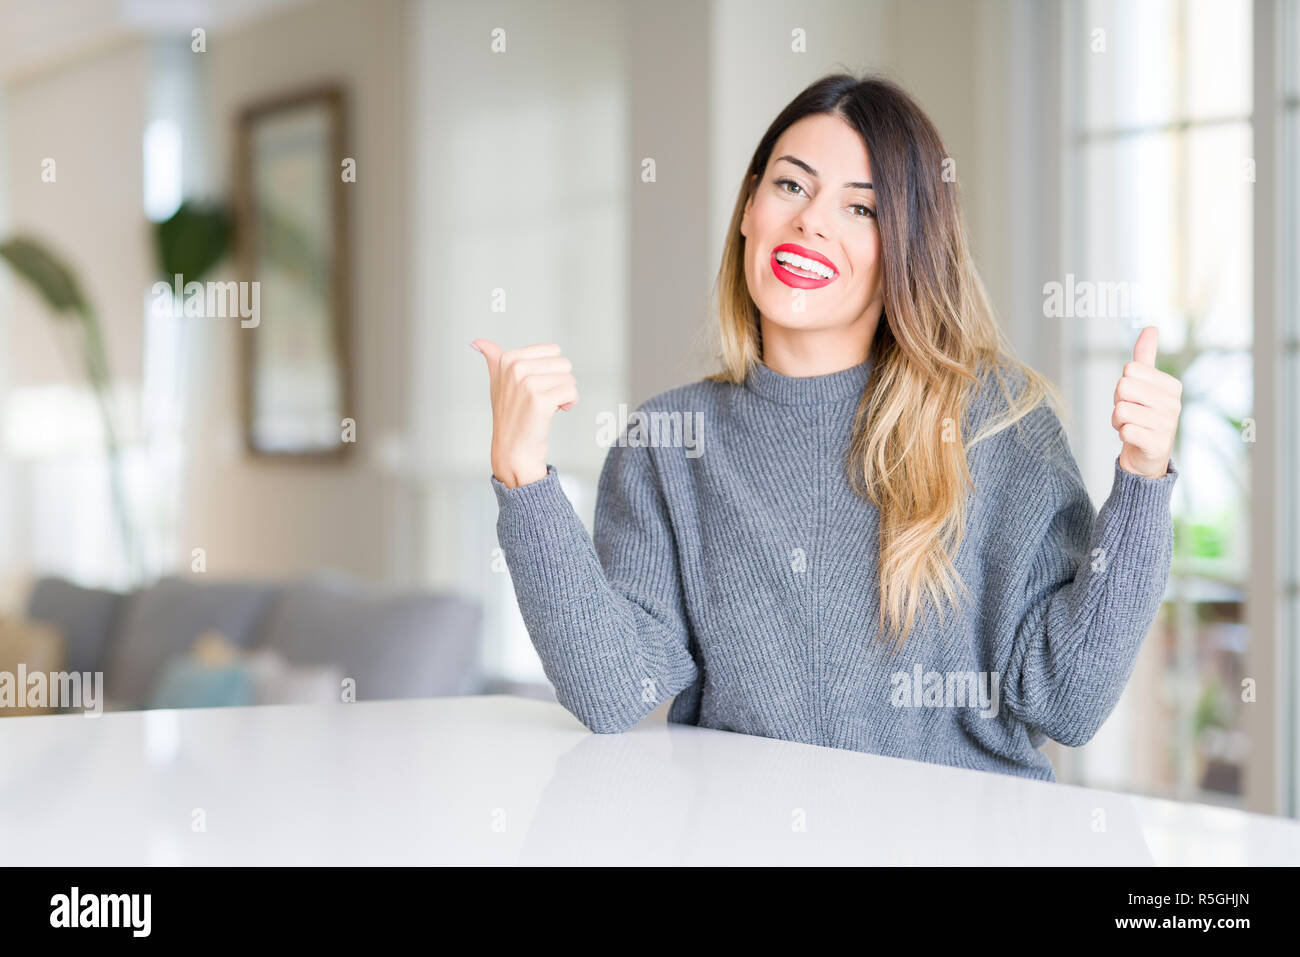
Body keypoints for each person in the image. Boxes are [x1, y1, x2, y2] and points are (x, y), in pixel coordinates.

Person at [471, 73, 1181, 782]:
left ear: (906, 246)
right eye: (791, 186)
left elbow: (1069, 702)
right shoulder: (668, 442)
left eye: (862, 210)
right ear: (750, 206)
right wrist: (522, 473)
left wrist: (1144, 479)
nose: (812, 221)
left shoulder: (997, 421)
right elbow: (612, 690)